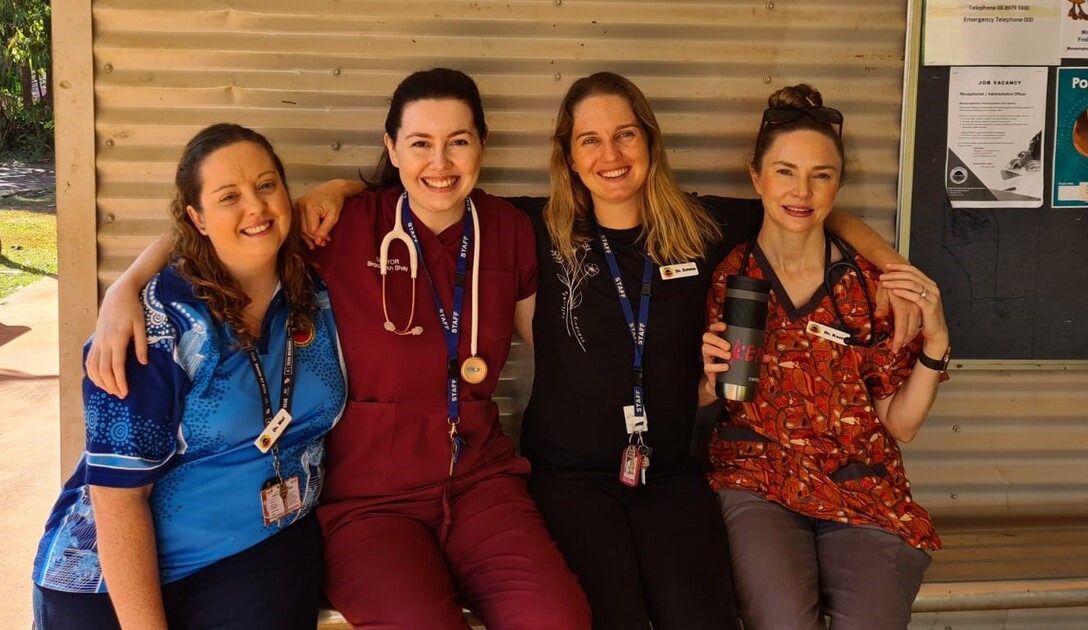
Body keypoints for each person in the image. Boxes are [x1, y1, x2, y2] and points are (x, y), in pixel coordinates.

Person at [292, 72, 920, 630]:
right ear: (568, 154)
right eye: (589, 140)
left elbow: (805, 209)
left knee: (701, 615)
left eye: (625, 135)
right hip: (569, 477)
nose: (611, 155)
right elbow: (432, 192)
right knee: (607, 616)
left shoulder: (701, 226)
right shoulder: (532, 226)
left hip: (670, 470)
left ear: (650, 141)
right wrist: (341, 188)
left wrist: (892, 267)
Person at [82, 69, 592, 630]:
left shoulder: (510, 228)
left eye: (459, 141)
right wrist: (127, 285)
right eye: (420, 143)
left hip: (480, 483)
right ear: (391, 149)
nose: (440, 163)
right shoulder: (339, 227)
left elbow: (565, 343)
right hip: (368, 501)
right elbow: (224, 230)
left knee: (559, 620)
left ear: (483, 143)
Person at [31, 123, 346, 630]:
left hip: (254, 547)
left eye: (267, 185)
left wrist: (339, 187)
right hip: (111, 578)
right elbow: (117, 499)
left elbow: (410, 180)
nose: (255, 207)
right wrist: (126, 286)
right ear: (197, 218)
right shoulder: (155, 328)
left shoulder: (314, 285)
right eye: (229, 197)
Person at [700, 84, 948, 630]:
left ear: (839, 183)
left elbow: (900, 425)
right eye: (785, 171)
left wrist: (935, 346)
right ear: (756, 177)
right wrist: (704, 376)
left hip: (862, 484)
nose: (802, 191)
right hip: (758, 479)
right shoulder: (724, 276)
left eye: (822, 175)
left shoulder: (871, 286)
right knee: (781, 619)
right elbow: (692, 394)